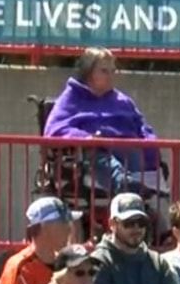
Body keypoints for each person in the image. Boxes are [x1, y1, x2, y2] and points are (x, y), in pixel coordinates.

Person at [42, 48, 167, 226]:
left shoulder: (123, 101)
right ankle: (124, 185)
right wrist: (86, 138)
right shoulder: (72, 98)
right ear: (89, 72)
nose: (110, 76)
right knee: (97, 150)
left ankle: (147, 215)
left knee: (137, 153)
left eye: (113, 71)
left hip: (130, 153)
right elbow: (54, 129)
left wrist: (150, 147)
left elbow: (143, 128)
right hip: (94, 155)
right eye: (104, 71)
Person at [0, 196, 79, 284]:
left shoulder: (64, 263)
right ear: (45, 227)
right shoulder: (22, 267)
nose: (69, 230)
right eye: (63, 224)